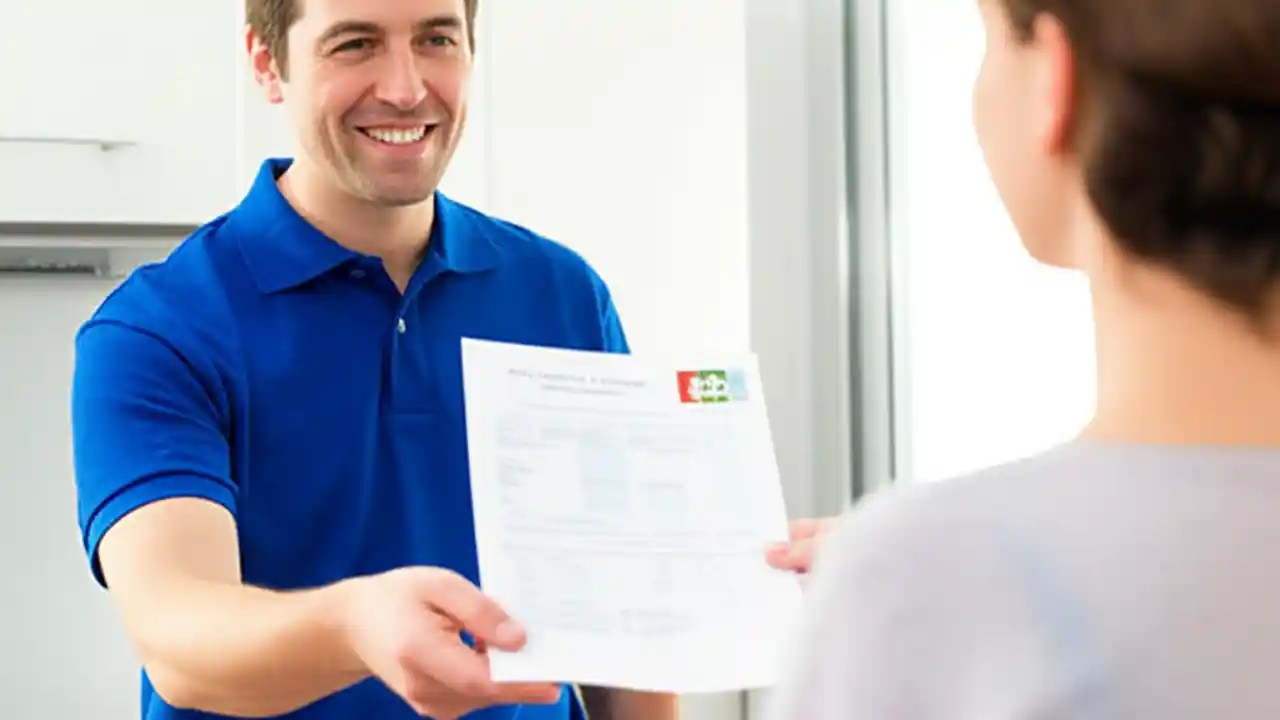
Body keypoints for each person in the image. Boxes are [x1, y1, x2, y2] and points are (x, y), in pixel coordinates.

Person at [69, 1, 687, 718]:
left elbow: (627, 623)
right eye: (356, 44)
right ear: (269, 64)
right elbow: (181, 642)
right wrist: (356, 625)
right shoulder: (157, 329)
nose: (405, 87)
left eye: (436, 39)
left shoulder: (561, 295)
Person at [767, 0, 1280, 717]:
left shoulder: (924, 578)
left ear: (1054, 78)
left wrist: (931, 575)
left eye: (986, 36)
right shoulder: (939, 569)